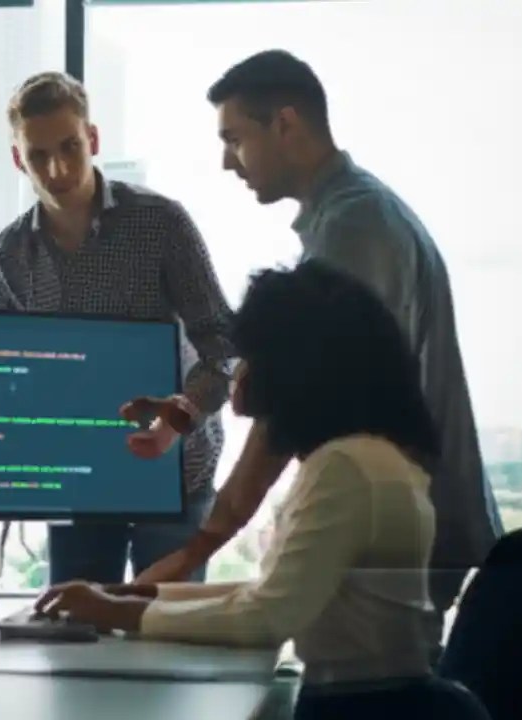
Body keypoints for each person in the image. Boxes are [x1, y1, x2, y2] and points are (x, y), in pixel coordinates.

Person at [132, 50, 502, 655]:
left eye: (234, 139)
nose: (226, 161)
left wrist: (200, 546)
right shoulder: (348, 216)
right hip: (401, 516)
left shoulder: (356, 226)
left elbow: (303, 395)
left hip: (401, 524)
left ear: (285, 123)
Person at [38, 261, 441, 711]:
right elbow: (272, 593)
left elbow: (266, 617)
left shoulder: (346, 466)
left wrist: (116, 612)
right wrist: (137, 594)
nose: (239, 373)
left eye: (251, 357)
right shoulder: (371, 459)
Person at [0, 71, 234, 585]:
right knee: (77, 627)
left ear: (92, 140)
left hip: (177, 473)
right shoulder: (4, 258)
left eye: (70, 147)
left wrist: (177, 420)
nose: (57, 168)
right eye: (38, 155)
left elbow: (223, 346)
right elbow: (2, 381)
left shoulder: (162, 224)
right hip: (79, 485)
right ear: (18, 160)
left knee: (168, 627)